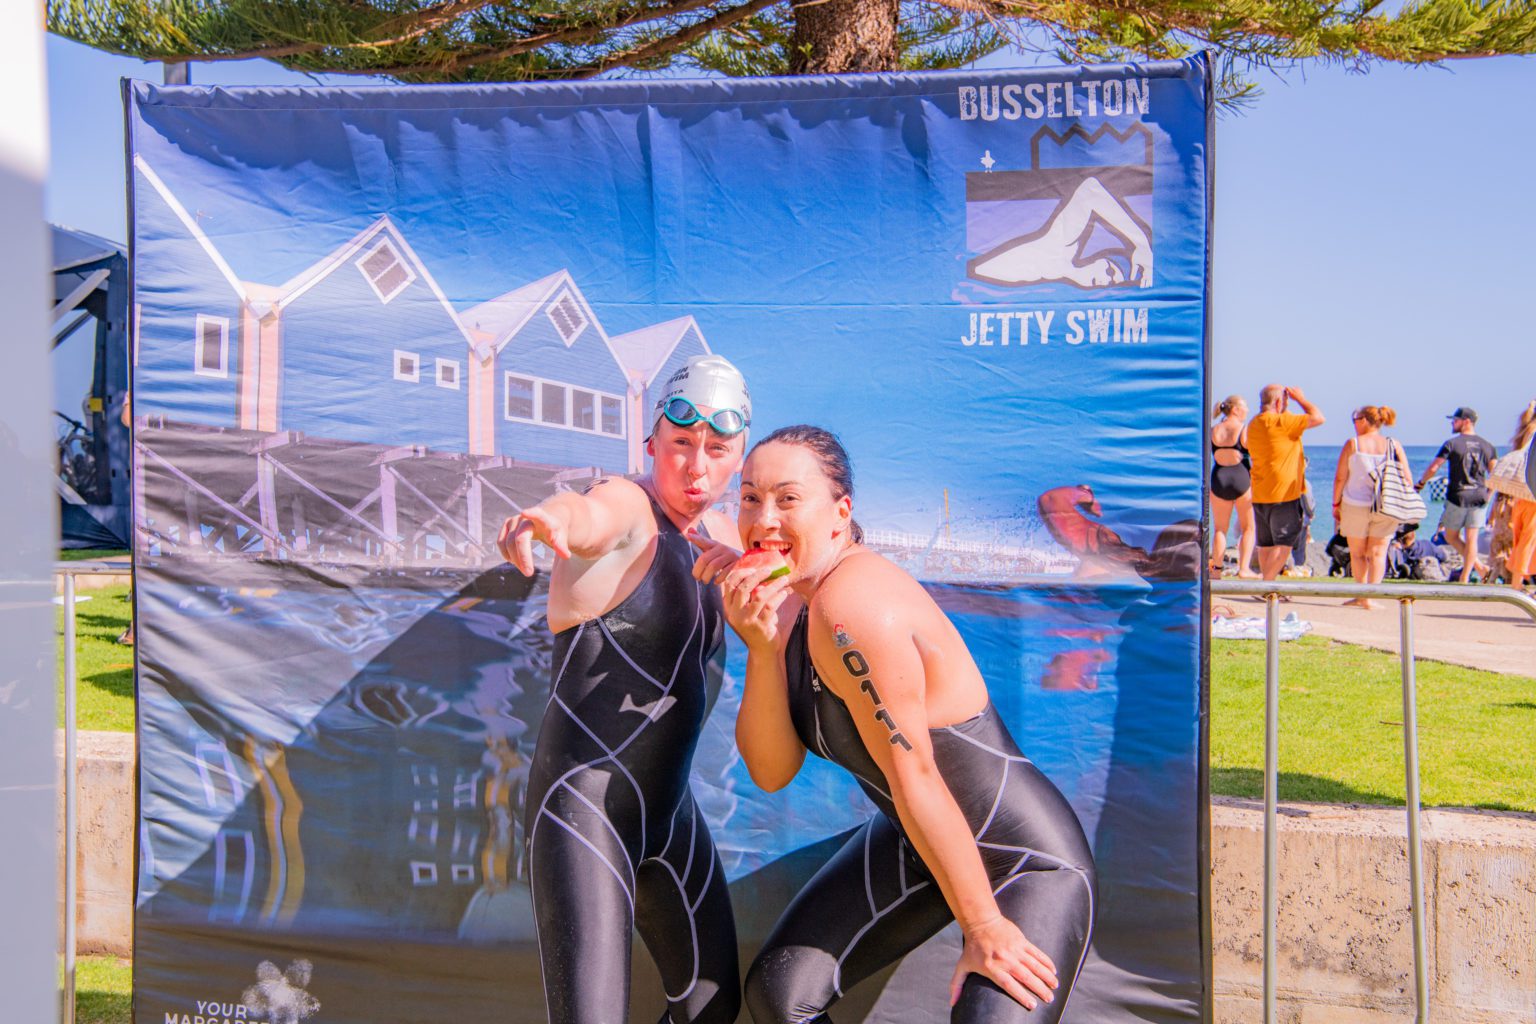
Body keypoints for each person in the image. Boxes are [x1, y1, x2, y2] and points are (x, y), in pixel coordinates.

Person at [691, 426, 1095, 1024]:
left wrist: (982, 927)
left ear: (840, 513)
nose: (763, 518)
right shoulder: (789, 597)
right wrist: (763, 647)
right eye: (750, 497)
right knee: (782, 994)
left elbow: (918, 775)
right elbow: (772, 772)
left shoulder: (853, 601)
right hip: (919, 840)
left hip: (1019, 864)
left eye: (787, 498)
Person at [495, 355, 750, 1024]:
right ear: (651, 447)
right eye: (680, 446)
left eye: (716, 450)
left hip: (670, 816)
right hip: (585, 814)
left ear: (738, 455)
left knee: (711, 1010)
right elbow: (585, 514)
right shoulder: (629, 506)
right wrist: (546, 521)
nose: (696, 467)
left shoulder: (724, 538)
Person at [1331, 405, 1414, 610]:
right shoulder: (1393, 444)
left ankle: (1362, 595)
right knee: (1378, 553)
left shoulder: (1353, 444)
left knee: (1358, 553)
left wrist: (1335, 503)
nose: (1354, 424)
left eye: (1355, 419)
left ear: (1365, 421)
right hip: (1385, 505)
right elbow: (1407, 478)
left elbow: (1341, 477)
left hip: (1355, 503)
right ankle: (1370, 597)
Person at [1246, 384, 1326, 585]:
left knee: (1266, 544)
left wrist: (1284, 405)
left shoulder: (1254, 423)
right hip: (1283, 494)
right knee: (1285, 543)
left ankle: (1268, 588)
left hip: (1260, 493)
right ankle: (1267, 584)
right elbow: (1318, 417)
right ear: (1279, 403)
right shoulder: (1283, 422)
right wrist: (1300, 399)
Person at [1415, 407, 1498, 583]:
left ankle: (1465, 577)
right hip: (1478, 496)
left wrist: (1421, 483)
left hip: (1457, 496)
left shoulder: (1452, 444)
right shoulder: (1487, 446)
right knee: (1472, 539)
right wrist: (1489, 495)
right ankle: (1476, 570)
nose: (1453, 423)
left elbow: (1434, 467)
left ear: (1466, 421)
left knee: (1450, 536)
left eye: (1455, 420)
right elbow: (1496, 474)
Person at [1208, 395, 1258, 578]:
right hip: (1241, 477)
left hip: (1219, 477)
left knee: (1220, 529)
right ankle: (1244, 569)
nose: (1247, 411)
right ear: (1236, 409)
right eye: (1245, 407)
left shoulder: (1213, 430)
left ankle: (1217, 571)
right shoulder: (1244, 430)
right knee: (1248, 528)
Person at [1502, 401, 1536, 592]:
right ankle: (1517, 583)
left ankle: (1517, 581)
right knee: (1528, 540)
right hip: (1532, 499)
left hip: (1522, 495)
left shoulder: (1522, 435)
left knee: (1522, 538)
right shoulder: (1533, 432)